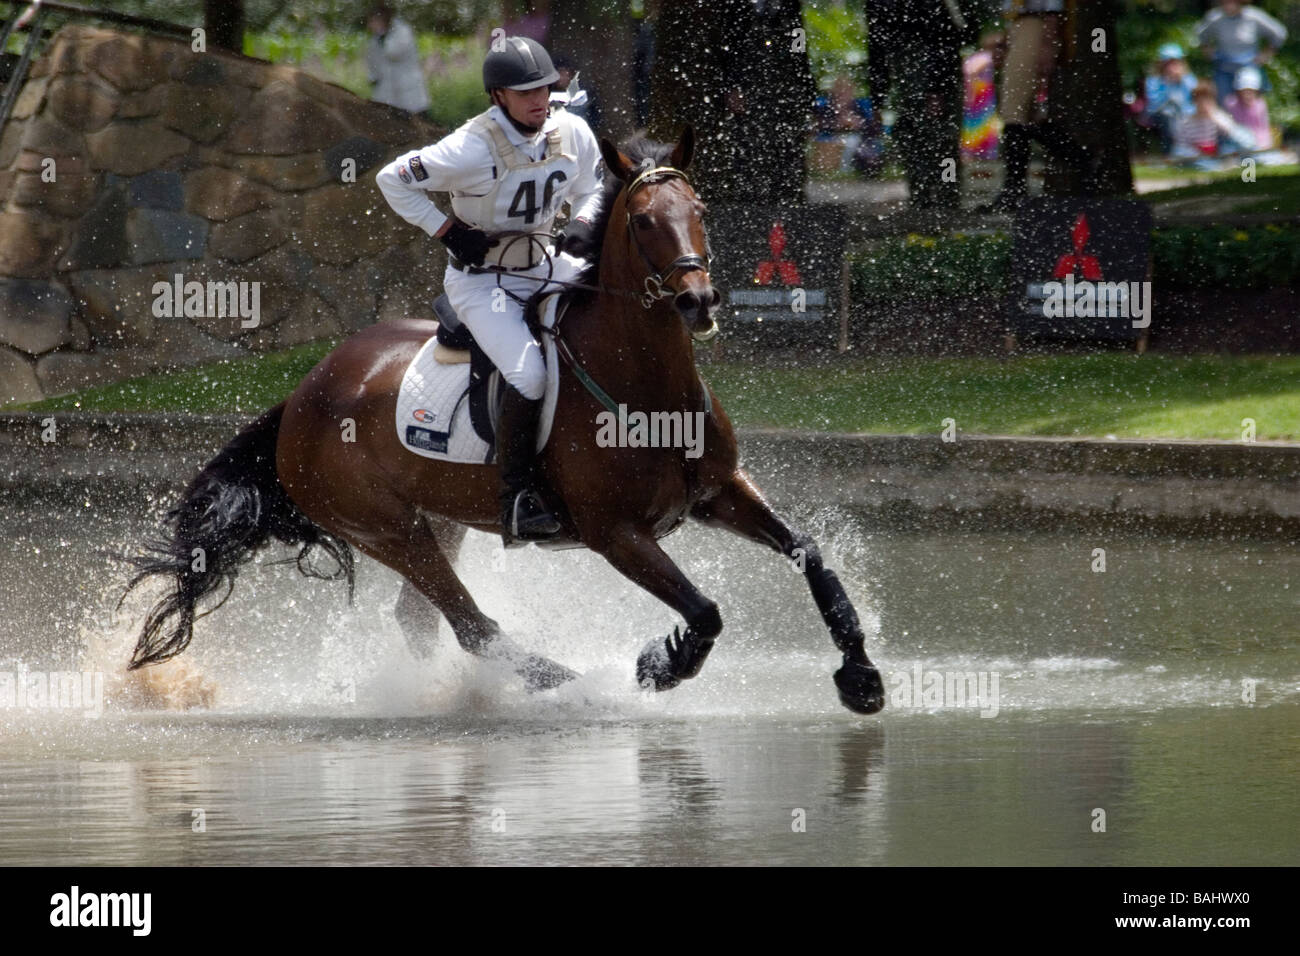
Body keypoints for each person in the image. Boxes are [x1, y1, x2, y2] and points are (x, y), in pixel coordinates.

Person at [375, 37, 605, 546]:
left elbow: (593, 185)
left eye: (545, 88)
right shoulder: (469, 148)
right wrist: (447, 230)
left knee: (616, 314)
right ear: (498, 95)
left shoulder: (572, 130)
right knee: (528, 374)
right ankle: (518, 499)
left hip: (549, 265)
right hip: (485, 284)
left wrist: (586, 221)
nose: (539, 100)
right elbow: (392, 179)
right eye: (525, 93)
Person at [1196, 0, 1287, 104]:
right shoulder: (1215, 17)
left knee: (1251, 103)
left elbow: (1280, 33)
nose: (1228, 5)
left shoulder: (1254, 16)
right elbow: (1200, 34)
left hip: (1248, 66)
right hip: (1224, 67)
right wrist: (1207, 50)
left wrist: (1267, 53)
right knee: (1224, 102)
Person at [365, 3, 431, 118]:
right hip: (388, 93)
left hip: (408, 90)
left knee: (419, 123)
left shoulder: (402, 31)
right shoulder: (375, 39)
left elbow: (393, 53)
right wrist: (373, 76)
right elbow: (372, 60)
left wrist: (382, 35)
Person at [1172, 81, 1255, 167]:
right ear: (1195, 102)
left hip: (1219, 152)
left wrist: (1214, 118)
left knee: (1239, 139)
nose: (1203, 104)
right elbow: (1181, 146)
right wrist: (1197, 154)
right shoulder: (1187, 121)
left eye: (1207, 100)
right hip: (1198, 156)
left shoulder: (1218, 116)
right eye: (1200, 101)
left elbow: (1233, 134)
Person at [1143, 43, 1198, 154]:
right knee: (1168, 118)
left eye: (1175, 62)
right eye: (1168, 63)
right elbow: (1154, 105)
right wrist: (1168, 84)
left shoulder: (1188, 79)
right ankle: (1170, 153)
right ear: (1162, 64)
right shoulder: (1153, 81)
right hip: (1163, 115)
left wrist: (1181, 80)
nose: (1172, 66)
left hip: (1185, 113)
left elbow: (1195, 96)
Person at [1224, 65, 1272, 151]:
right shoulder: (1231, 103)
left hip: (1257, 143)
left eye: (1250, 91)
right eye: (1244, 91)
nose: (1247, 94)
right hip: (1237, 142)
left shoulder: (1260, 105)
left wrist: (1265, 144)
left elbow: (1264, 127)